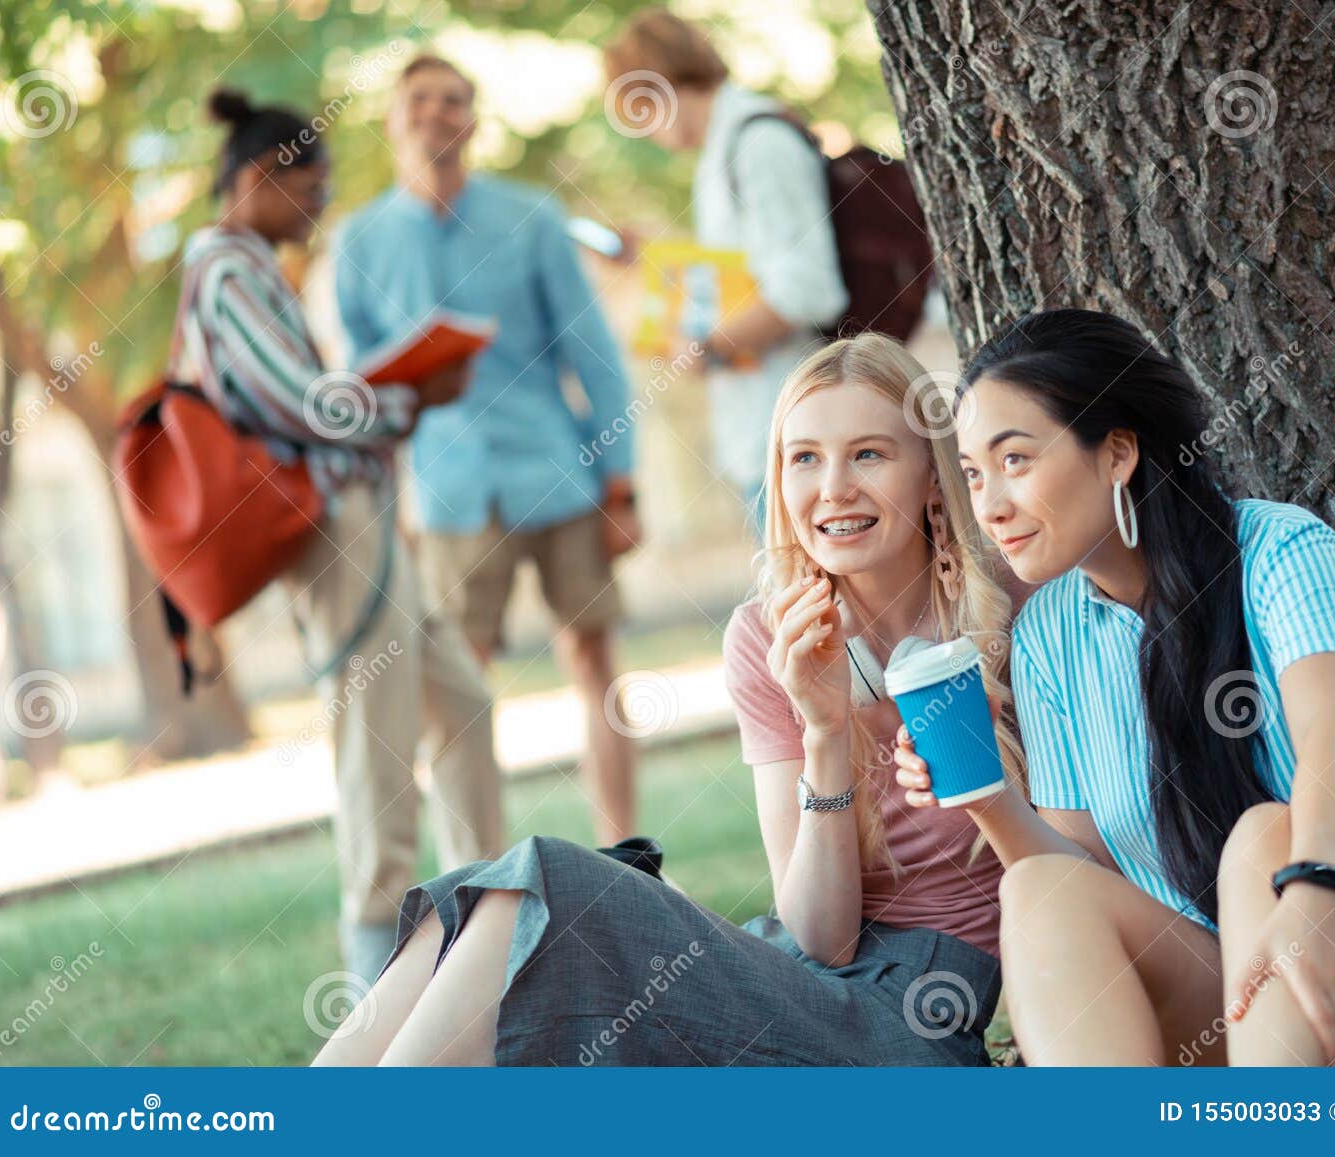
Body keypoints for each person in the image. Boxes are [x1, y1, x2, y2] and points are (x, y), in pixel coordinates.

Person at [313, 334, 1023, 1066]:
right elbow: (823, 937)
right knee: (494, 898)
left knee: (552, 886)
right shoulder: (767, 636)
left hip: (910, 1024)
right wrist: (824, 730)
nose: (833, 487)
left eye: (869, 454)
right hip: (801, 976)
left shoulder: (1008, 610)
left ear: (934, 477)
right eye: (804, 457)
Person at [895, 308, 1335, 1066]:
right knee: (1039, 891)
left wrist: (1314, 892)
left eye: (1015, 460)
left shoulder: (1280, 553)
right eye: (973, 474)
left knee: (1265, 838)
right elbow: (1086, 878)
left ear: (1118, 453)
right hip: (1229, 994)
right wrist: (990, 798)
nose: (991, 504)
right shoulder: (1048, 637)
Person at [182, 89, 504, 981]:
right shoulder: (226, 267)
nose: (322, 204)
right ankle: (377, 972)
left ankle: (492, 918)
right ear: (256, 179)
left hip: (361, 520)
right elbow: (298, 401)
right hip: (329, 534)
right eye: (310, 185)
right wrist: (408, 395)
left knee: (464, 704)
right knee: (376, 740)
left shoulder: (254, 266)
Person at [334, 54, 643, 846]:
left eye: (455, 100)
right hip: (448, 494)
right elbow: (357, 390)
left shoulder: (531, 216)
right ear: (393, 119)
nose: (437, 112)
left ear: (472, 121)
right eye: (420, 99)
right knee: (460, 690)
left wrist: (621, 483)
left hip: (559, 472)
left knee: (594, 667)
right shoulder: (357, 241)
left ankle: (628, 852)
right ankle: (484, 873)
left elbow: (593, 352)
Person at [603, 10, 848, 535]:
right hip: (767, 435)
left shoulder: (757, 143)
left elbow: (807, 289)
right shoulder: (724, 148)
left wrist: (706, 346)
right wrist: (654, 254)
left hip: (797, 438)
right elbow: (747, 269)